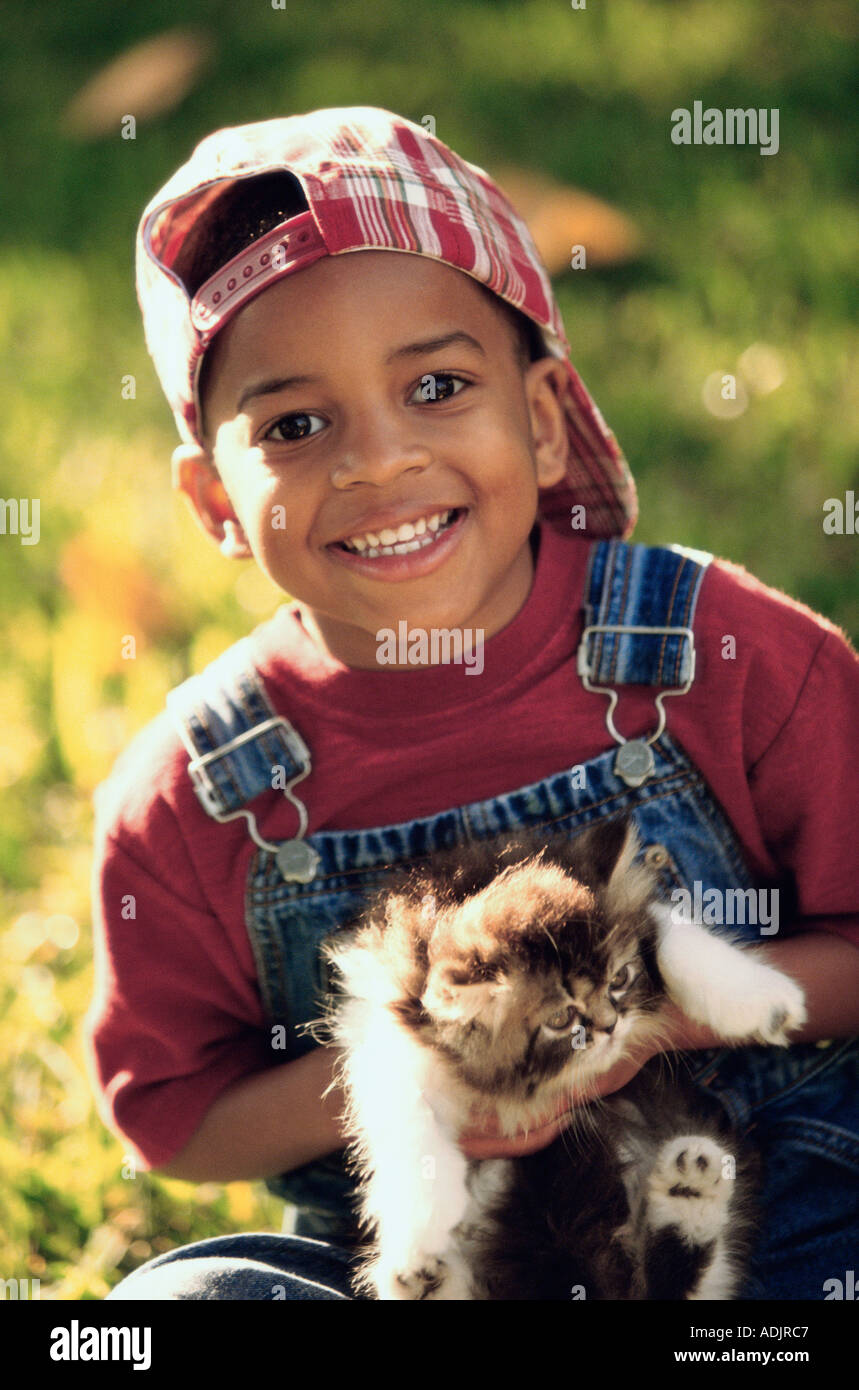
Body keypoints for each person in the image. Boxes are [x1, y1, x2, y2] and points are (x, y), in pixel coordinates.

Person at [90, 106, 859, 1301]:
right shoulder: (204, 791)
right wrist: (420, 1072)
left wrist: (640, 1018)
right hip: (431, 1257)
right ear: (215, 505)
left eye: (437, 384)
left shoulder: (715, 652)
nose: (376, 459)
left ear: (543, 419)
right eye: (294, 424)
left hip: (767, 1220)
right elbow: (175, 1122)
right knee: (174, 1309)